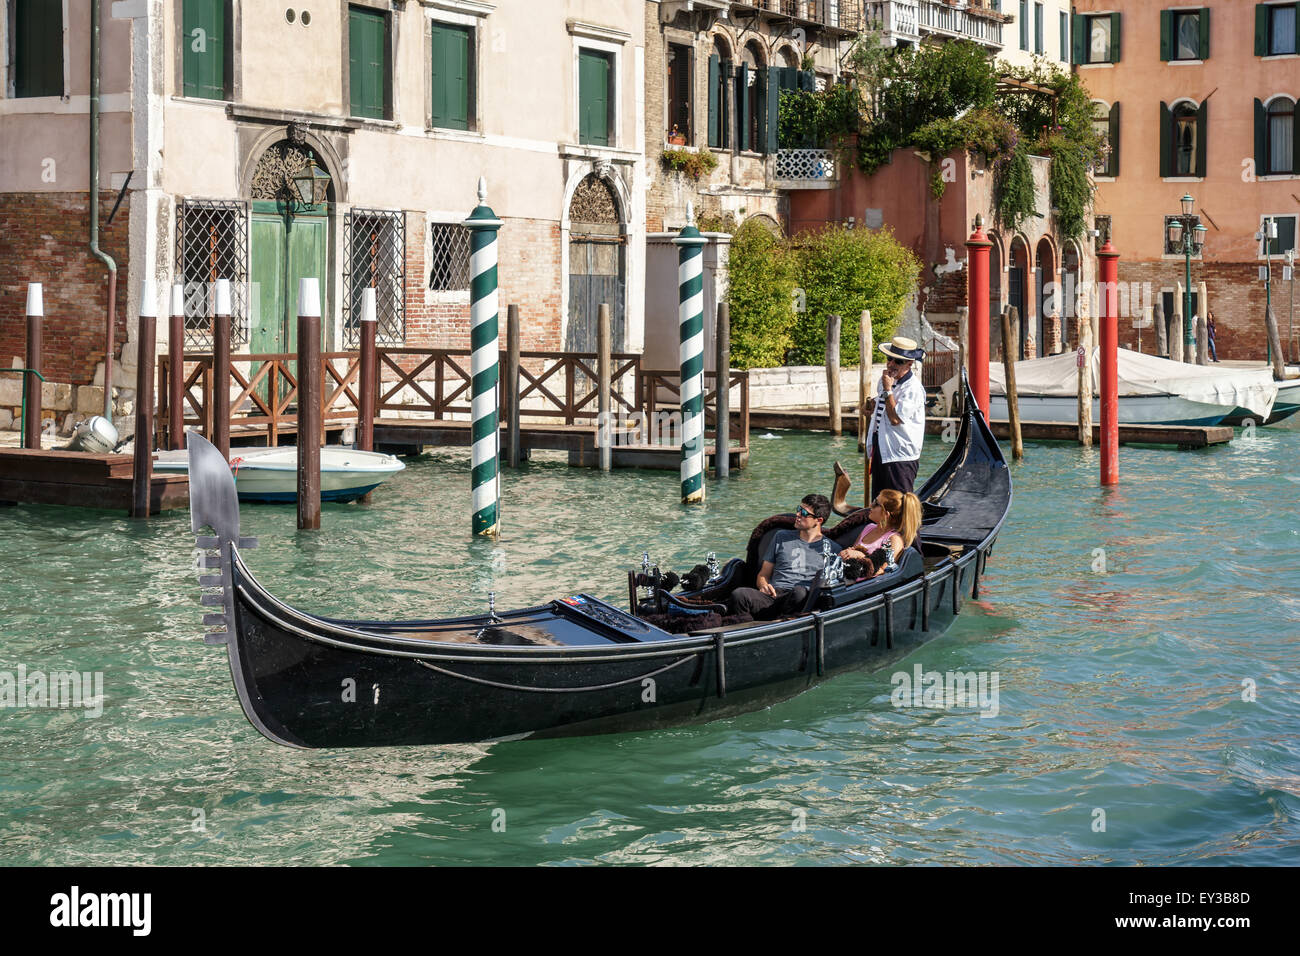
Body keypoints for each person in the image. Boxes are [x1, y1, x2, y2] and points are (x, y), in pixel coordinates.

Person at [729, 494, 833, 619]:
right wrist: (763, 586)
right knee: (739, 594)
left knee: (799, 592)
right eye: (798, 509)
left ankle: (782, 623)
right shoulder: (781, 537)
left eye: (804, 513)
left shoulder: (831, 549)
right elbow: (763, 574)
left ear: (819, 520)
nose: (798, 515)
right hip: (773, 597)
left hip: (801, 601)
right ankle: (746, 630)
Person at [865, 336, 926, 498]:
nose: (891, 364)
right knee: (879, 500)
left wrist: (887, 389)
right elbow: (884, 401)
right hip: (880, 447)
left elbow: (895, 419)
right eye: (889, 358)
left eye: (897, 361)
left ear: (909, 364)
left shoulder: (913, 389)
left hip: (900, 454)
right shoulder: (886, 381)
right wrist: (873, 404)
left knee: (899, 502)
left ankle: (906, 524)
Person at [839, 490, 921, 577]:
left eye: (876, 503)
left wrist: (860, 556)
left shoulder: (894, 540)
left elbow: (883, 572)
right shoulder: (868, 528)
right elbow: (855, 551)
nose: (870, 505)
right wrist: (847, 553)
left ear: (886, 514)